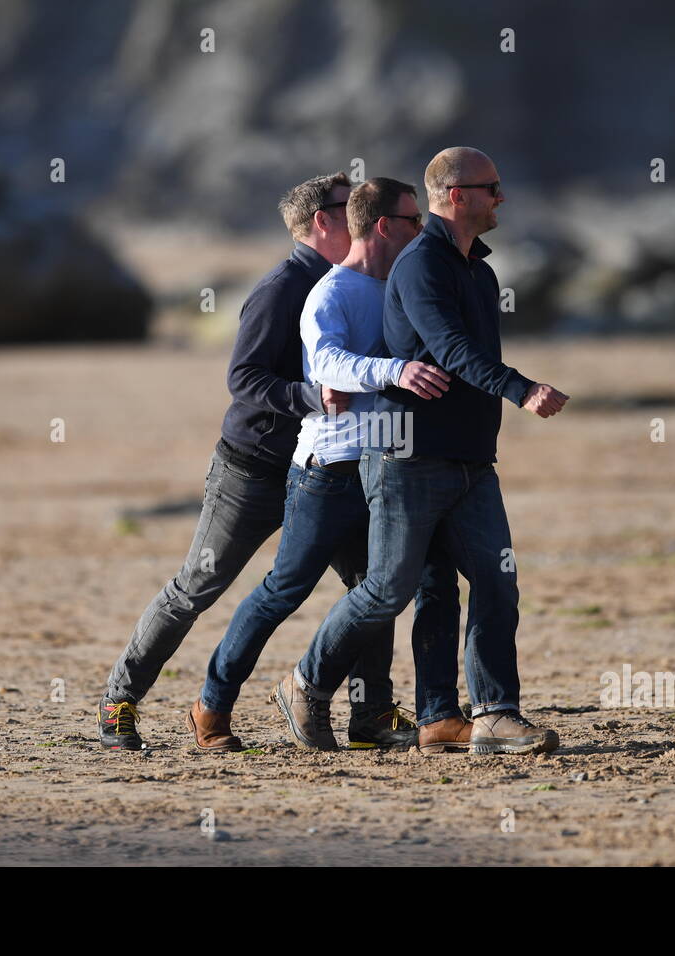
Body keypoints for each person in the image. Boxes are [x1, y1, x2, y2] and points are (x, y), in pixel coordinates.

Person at [277, 147, 570, 756]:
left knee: (493, 580)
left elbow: (462, 352)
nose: (502, 197)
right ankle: (307, 681)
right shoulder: (420, 265)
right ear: (456, 195)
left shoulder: (477, 270)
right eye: (492, 187)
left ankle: (478, 715)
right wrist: (522, 389)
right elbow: (450, 347)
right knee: (390, 586)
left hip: (469, 456)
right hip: (405, 452)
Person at [98, 171, 376, 751]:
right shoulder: (281, 288)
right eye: (350, 207)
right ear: (321, 221)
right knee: (199, 584)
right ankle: (119, 702)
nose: (362, 217)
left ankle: (370, 713)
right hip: (254, 468)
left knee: (371, 586)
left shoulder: (352, 282)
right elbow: (242, 378)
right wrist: (309, 397)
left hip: (328, 466)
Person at [196, 177, 457, 752]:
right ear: (386, 227)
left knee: (375, 591)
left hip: (381, 467)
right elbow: (329, 364)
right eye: (415, 221)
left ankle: (370, 717)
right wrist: (393, 373)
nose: (424, 230)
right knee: (284, 590)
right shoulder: (330, 292)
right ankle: (212, 706)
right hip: (325, 469)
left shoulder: (396, 286)